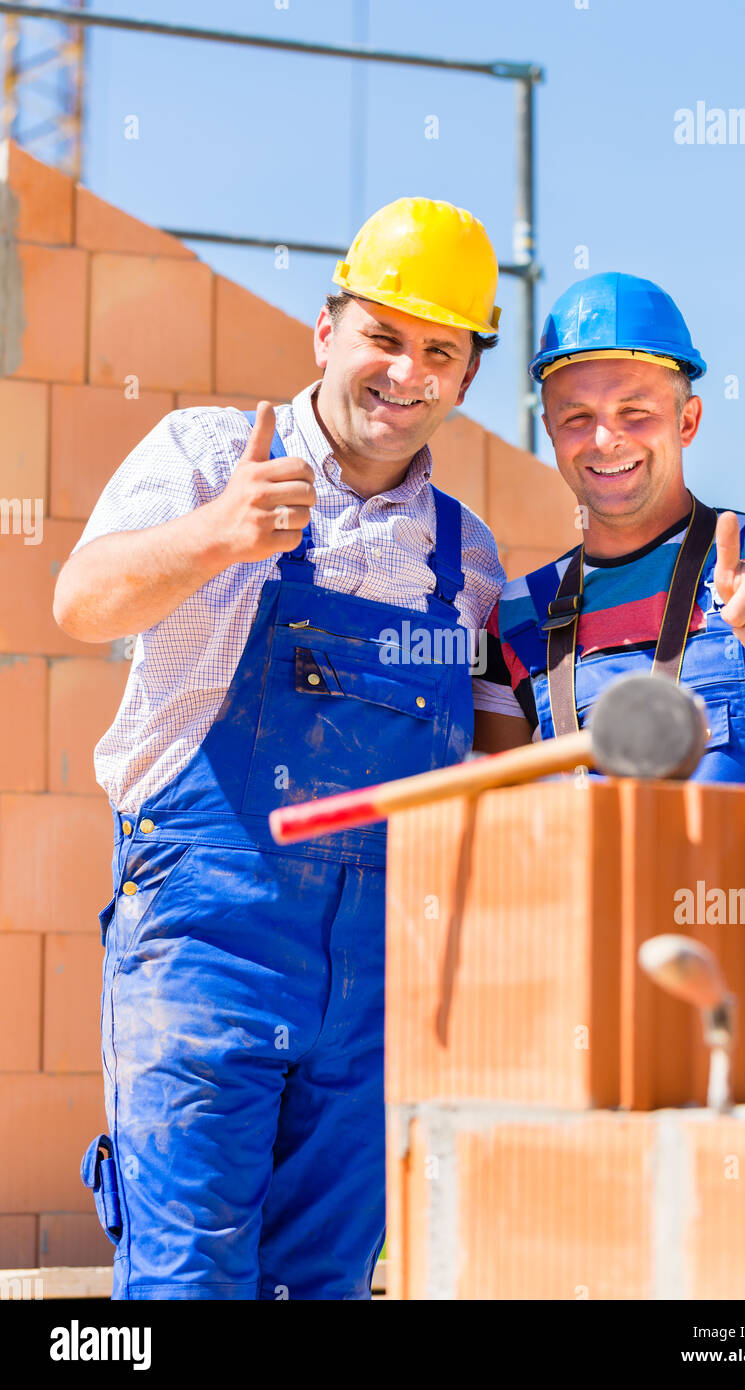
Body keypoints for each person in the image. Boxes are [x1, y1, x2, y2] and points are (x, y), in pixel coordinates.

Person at [53, 196, 506, 1299]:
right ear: (325, 330)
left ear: (464, 377)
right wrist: (217, 536)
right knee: (188, 1277)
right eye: (382, 337)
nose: (404, 373)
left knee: (325, 1280)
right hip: (204, 944)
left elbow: (485, 768)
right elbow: (81, 601)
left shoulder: (467, 556)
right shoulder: (207, 453)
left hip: (371, 984)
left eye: (436, 351)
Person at [473, 270, 745, 1114]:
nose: (605, 439)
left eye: (636, 413)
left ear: (687, 419)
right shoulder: (515, 616)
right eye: (577, 417)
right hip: (584, 996)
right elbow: (497, 811)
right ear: (549, 431)